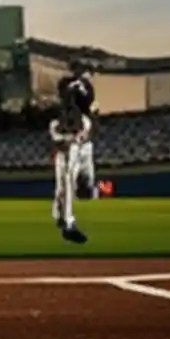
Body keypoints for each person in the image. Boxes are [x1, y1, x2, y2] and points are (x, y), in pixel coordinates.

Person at [49, 60, 96, 244]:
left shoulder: (84, 118)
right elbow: (58, 138)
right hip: (70, 151)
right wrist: (69, 139)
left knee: (83, 184)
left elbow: (84, 129)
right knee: (65, 184)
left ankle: (62, 214)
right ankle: (67, 222)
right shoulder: (59, 120)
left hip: (82, 147)